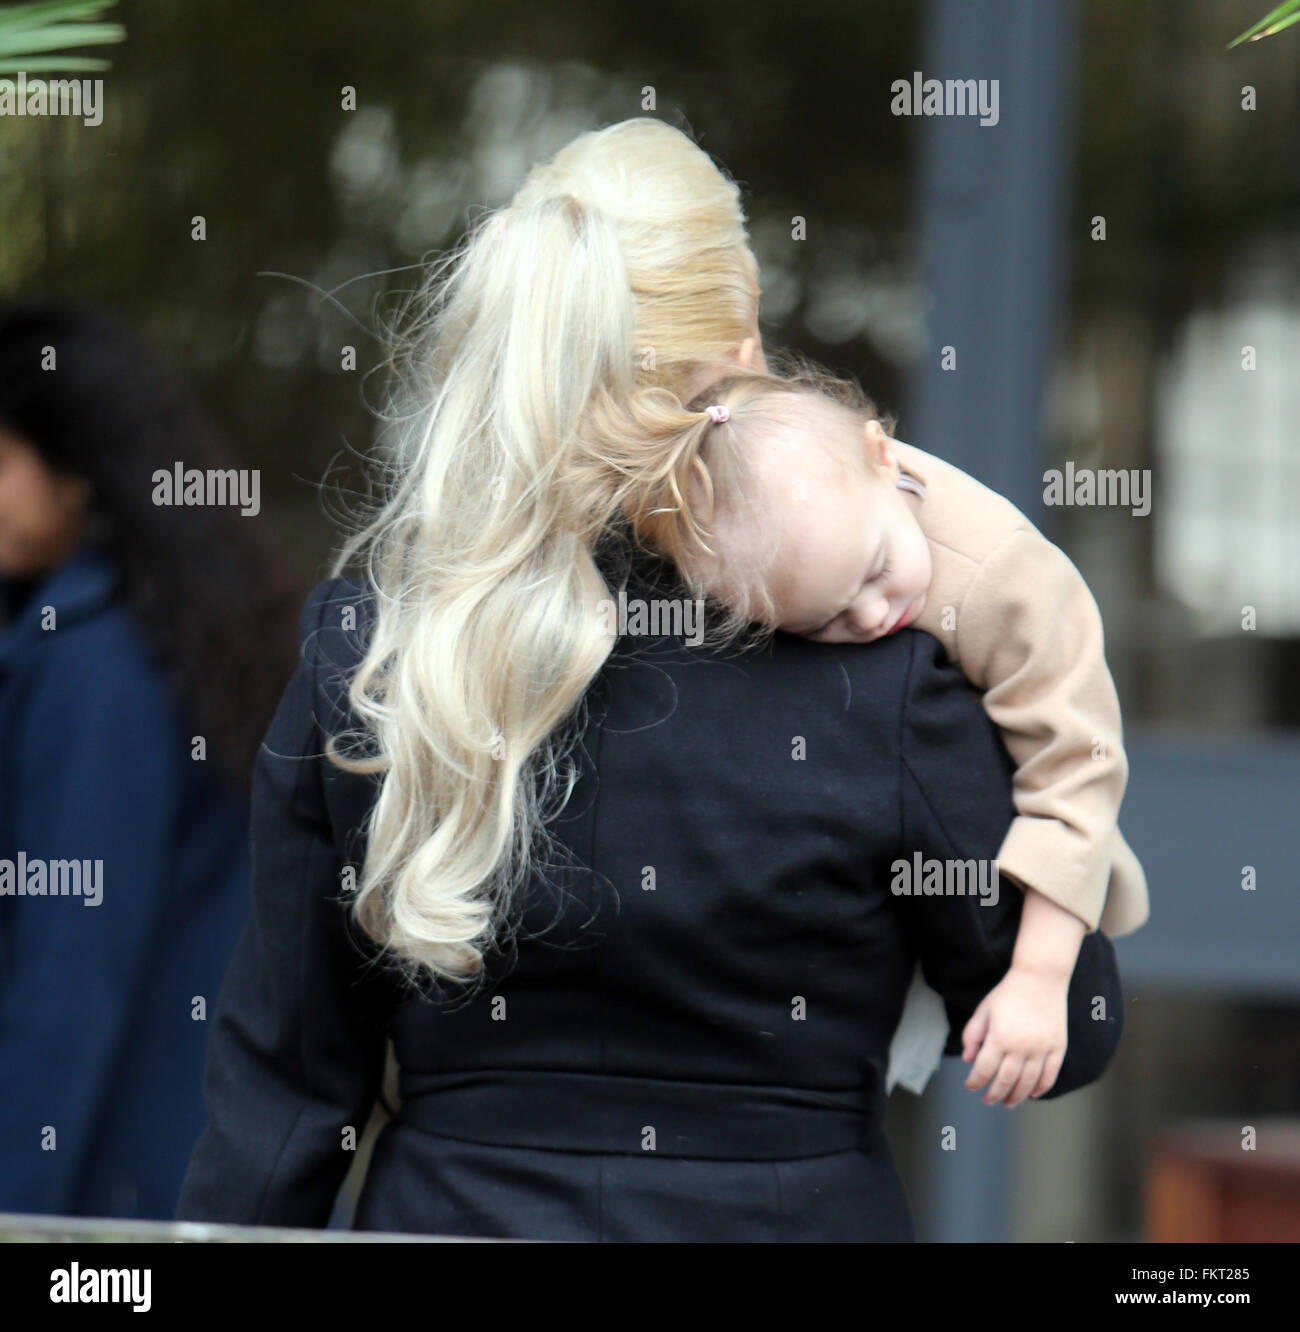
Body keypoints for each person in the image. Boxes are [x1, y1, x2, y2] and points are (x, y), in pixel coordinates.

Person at [175, 118, 1125, 1240]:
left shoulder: (378, 660)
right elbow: (1071, 1031)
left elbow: (285, 1096)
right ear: (744, 347)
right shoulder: (889, 671)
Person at [600, 359, 1150, 1101]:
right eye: (820, 623)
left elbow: (1078, 774)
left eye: (876, 570)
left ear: (883, 459)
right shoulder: (781, 508)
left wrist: (1038, 979)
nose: (868, 616)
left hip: (1041, 844)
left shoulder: (1008, 580)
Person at [0, 297, 303, 1220]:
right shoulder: (190, 639)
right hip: (214, 1181)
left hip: (110, 1210)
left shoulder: (94, 662)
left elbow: (68, 982)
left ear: (75, 478)